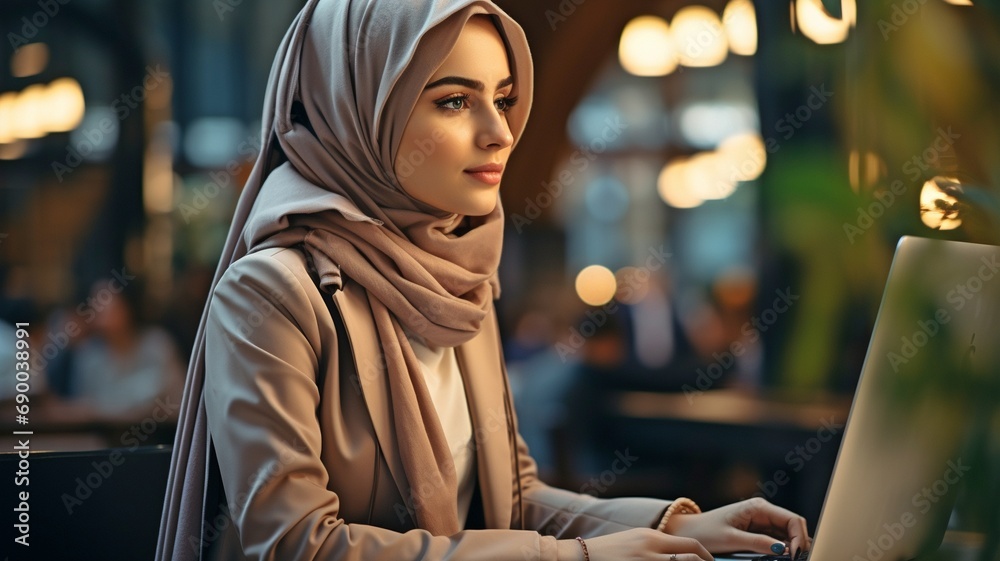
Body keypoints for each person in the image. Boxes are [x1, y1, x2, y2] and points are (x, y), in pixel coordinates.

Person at [157, 1, 811, 560]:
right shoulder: (273, 293)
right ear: (361, 112)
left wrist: (671, 523)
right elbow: (297, 544)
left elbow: (512, 498)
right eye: (454, 101)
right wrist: (578, 556)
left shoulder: (457, 274)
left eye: (502, 99)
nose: (499, 131)